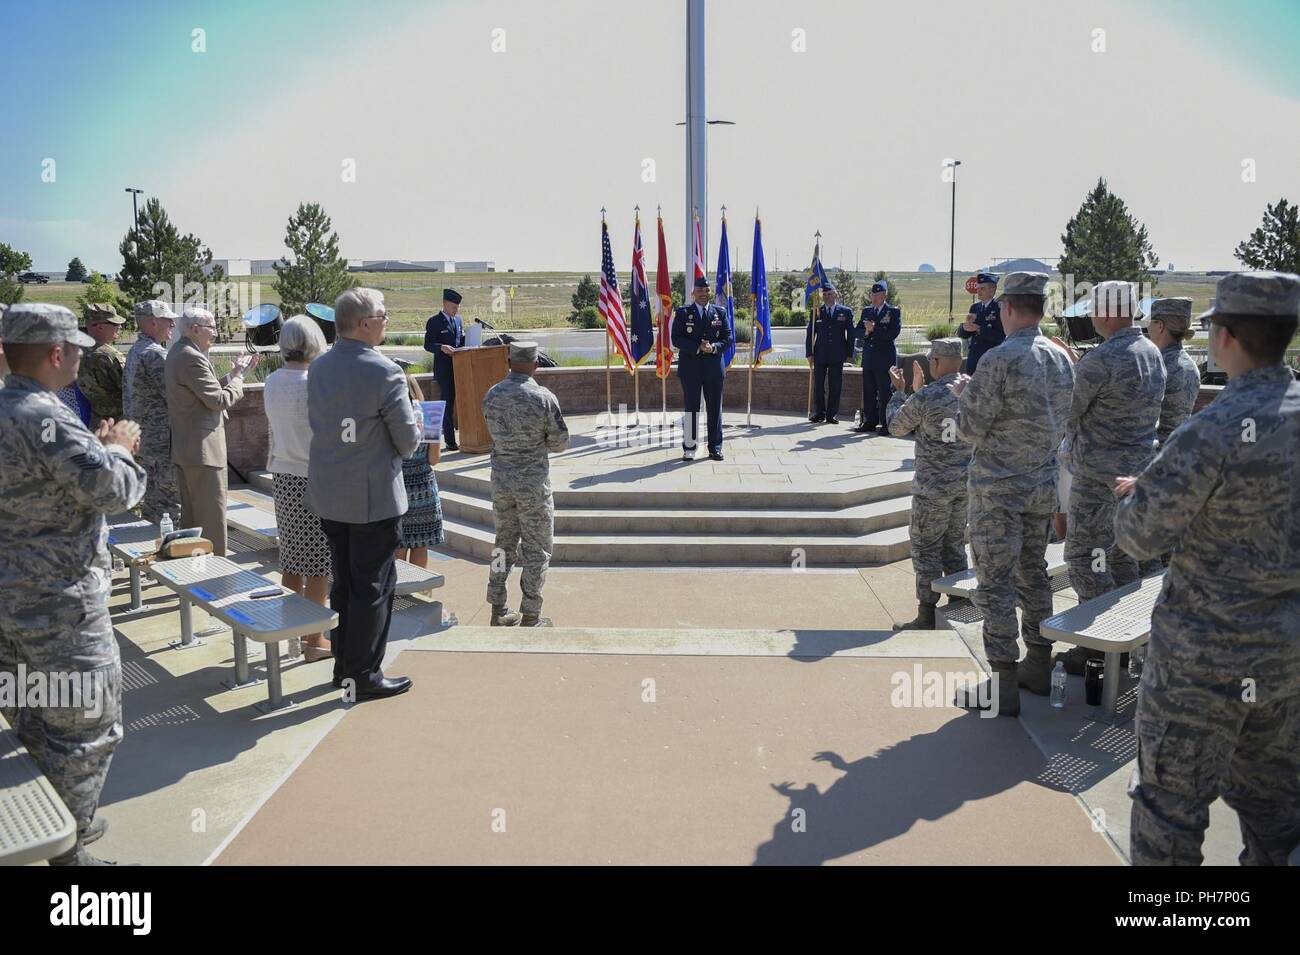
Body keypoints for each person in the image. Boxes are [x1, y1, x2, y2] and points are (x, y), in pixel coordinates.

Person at [1114, 270, 1300, 866]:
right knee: (1278, 814)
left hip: (1201, 666)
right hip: (1287, 660)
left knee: (1169, 818)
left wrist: (1141, 493)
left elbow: (1139, 537)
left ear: (1223, 336)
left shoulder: (1212, 431)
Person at [0, 303, 147, 865]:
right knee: (88, 725)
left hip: (11, 605)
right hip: (60, 607)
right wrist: (118, 447)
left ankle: (63, 819)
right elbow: (113, 490)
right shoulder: (47, 415)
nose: (85, 356)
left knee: (32, 712)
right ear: (56, 353)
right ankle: (72, 855)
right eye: (78, 348)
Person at [949, 272, 1074, 716]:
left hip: (997, 492)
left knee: (996, 582)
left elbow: (968, 431)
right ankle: (1039, 664)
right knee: (1034, 574)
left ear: (1007, 309)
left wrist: (966, 396)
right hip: (1039, 488)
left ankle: (1001, 684)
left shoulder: (999, 360)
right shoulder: (1061, 358)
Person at [308, 288, 420, 700]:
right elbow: (408, 441)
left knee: (345, 584)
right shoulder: (384, 371)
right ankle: (364, 675)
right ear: (364, 324)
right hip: (371, 499)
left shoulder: (318, 368)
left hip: (329, 495)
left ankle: (345, 667)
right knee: (373, 588)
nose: (387, 321)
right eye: (384, 315)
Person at [1061, 281, 1165, 671]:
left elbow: (1067, 412)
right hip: (1136, 476)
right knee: (1121, 561)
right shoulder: (1151, 352)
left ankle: (1098, 648)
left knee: (1085, 558)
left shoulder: (1101, 360)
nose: (1089, 315)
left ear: (1105, 313)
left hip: (1097, 478)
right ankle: (1122, 645)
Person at [885, 338, 972, 629]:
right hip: (964, 486)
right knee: (955, 545)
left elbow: (896, 426)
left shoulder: (928, 396)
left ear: (935, 362)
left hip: (932, 488)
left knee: (925, 547)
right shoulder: (974, 390)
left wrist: (900, 393)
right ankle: (960, 605)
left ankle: (926, 614)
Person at [483, 341, 568, 627]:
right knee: (537, 548)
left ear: (509, 362)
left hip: (501, 482)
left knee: (502, 544)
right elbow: (560, 442)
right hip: (532, 485)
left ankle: (498, 607)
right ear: (535, 365)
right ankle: (531, 613)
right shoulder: (543, 397)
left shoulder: (492, 395)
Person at [264, 316, 333, 662]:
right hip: (314, 476)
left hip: (283, 476)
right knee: (319, 564)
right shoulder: (315, 382)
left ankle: (289, 636)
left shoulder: (272, 380)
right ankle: (314, 640)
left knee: (291, 561)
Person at [164, 306, 257, 556]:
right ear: (195, 329)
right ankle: (214, 582)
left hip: (189, 450)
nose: (215, 333)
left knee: (194, 522)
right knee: (211, 523)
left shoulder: (181, 352)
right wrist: (238, 381)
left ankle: (194, 579)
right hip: (202, 451)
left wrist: (234, 374)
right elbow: (218, 401)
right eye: (212, 327)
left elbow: (203, 391)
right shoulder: (191, 356)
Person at [123, 300, 180, 524]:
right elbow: (175, 395)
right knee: (167, 500)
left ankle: (151, 538)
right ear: (154, 323)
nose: (173, 324)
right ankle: (169, 547)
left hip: (143, 436)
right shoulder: (154, 354)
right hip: (160, 439)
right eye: (168, 320)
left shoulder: (136, 350)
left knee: (151, 498)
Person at [672, 275, 731, 461]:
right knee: (691, 408)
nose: (704, 294)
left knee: (715, 409)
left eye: (706, 291)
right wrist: (697, 347)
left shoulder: (719, 313)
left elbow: (728, 338)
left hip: (714, 368)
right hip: (691, 369)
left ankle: (715, 447)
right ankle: (689, 447)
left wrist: (713, 348)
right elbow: (677, 339)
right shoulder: (683, 313)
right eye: (700, 291)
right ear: (693, 294)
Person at [394, 364, 445, 569]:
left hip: (398, 486)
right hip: (424, 488)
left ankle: (397, 595)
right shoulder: (430, 413)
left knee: (399, 545)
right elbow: (434, 459)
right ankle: (421, 594)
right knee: (421, 545)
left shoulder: (392, 417)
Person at [1148, 297, 1201, 447]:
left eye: (1151, 321)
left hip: (1156, 452)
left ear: (1160, 326)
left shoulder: (1157, 365)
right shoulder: (1190, 365)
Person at [853, 280, 901, 434]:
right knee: (869, 391)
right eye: (873, 295)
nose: (874, 298)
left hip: (884, 359)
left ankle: (886, 423)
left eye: (878, 295)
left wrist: (874, 329)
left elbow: (893, 333)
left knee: (885, 392)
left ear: (884, 295)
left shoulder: (892, 312)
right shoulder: (867, 311)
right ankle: (870, 421)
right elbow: (858, 331)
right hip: (869, 358)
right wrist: (866, 332)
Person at [805, 283, 854, 424]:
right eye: (825, 295)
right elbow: (810, 333)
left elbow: (850, 334)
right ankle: (819, 413)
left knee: (835, 385)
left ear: (836, 294)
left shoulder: (846, 312)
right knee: (818, 385)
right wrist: (809, 353)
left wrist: (850, 353)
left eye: (830, 294)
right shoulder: (816, 311)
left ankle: (832, 414)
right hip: (820, 354)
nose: (827, 297)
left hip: (838, 354)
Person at [423, 288, 465, 451]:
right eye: (454, 307)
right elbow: (428, 344)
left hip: (460, 369)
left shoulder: (458, 321)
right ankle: (450, 441)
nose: (456, 310)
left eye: (457, 307)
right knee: (447, 404)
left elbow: (460, 341)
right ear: (446, 304)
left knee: (459, 403)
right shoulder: (434, 321)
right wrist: (441, 347)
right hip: (444, 371)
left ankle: (465, 437)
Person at [77, 303, 127, 427]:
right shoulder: (109, 355)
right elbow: (131, 388)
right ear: (99, 327)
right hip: (118, 424)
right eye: (115, 324)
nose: (119, 327)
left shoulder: (76, 351)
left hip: (95, 422)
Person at [958, 272, 1004, 375]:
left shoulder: (1000, 307)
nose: (978, 291)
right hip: (974, 359)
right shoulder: (975, 307)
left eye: (982, 288)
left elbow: (1001, 336)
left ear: (993, 289)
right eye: (977, 288)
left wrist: (979, 329)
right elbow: (964, 334)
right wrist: (965, 327)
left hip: (991, 360)